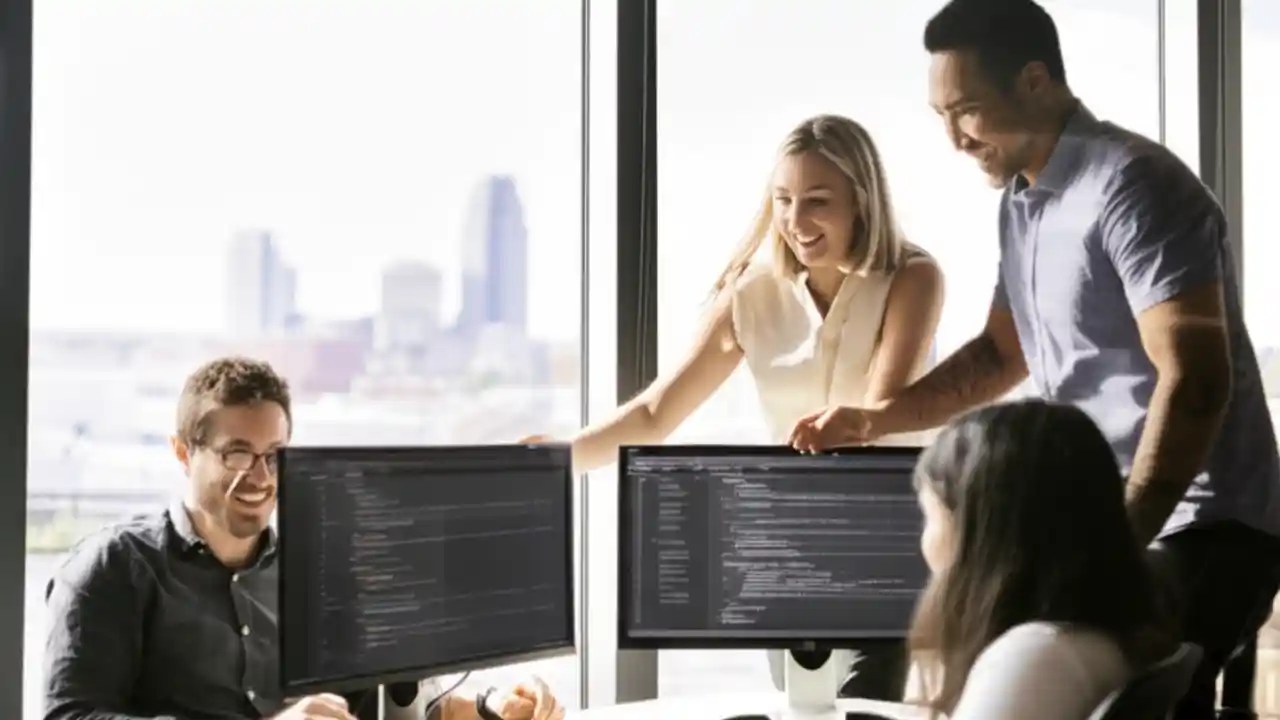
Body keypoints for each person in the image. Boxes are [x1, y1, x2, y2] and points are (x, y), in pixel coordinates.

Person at [789, 1, 1280, 717]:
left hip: (1204, 525)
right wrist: (873, 418)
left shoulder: (1133, 184)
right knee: (905, 647)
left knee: (1040, 657)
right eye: (940, 115)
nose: (954, 138)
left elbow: (1197, 381)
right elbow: (997, 355)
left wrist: (1112, 546)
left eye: (967, 110)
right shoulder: (1022, 204)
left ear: (1035, 80)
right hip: (1109, 518)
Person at [527, 114, 945, 700]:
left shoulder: (913, 277)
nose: (797, 222)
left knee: (871, 702)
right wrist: (556, 461)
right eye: (784, 200)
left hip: (894, 543)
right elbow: (655, 414)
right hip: (791, 549)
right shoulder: (751, 293)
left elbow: (880, 405)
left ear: (862, 201)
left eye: (817, 201)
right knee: (806, 705)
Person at [42, 356, 564, 720]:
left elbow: (387, 702)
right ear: (183, 453)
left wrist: (491, 705)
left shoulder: (318, 574)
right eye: (237, 454)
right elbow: (71, 716)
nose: (262, 477)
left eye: (274, 455)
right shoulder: (113, 567)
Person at [909, 399, 1173, 719]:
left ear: (984, 533)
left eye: (929, 517)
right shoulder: (1088, 642)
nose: (924, 543)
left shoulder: (1035, 658)